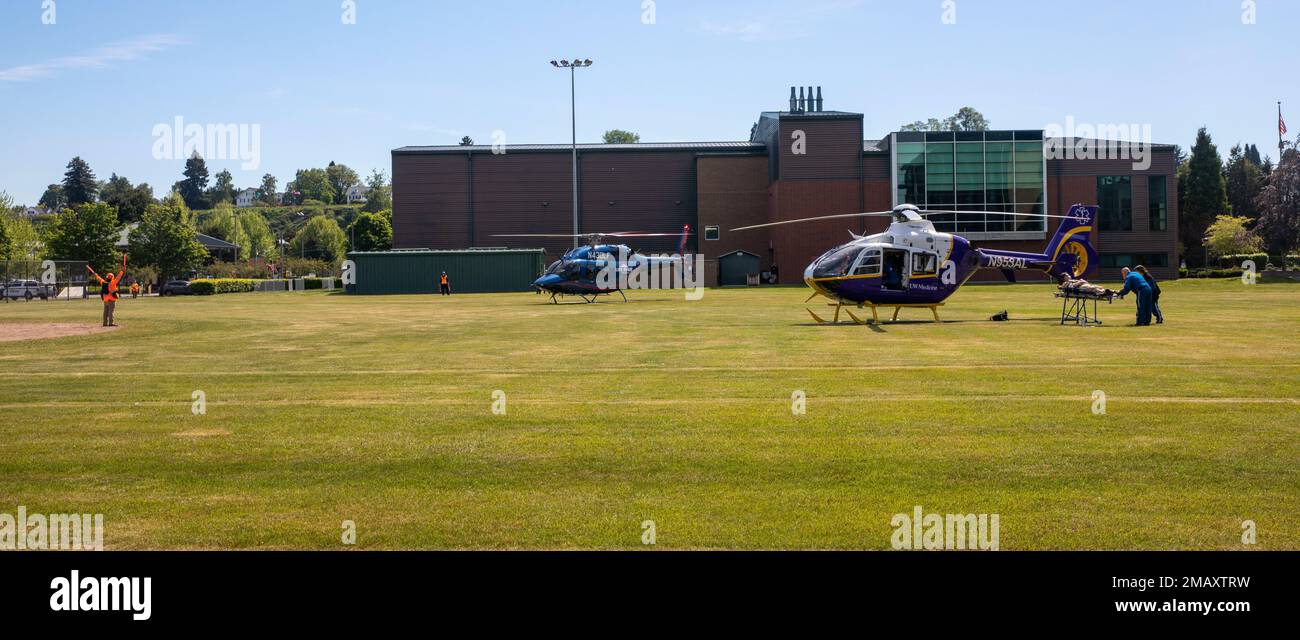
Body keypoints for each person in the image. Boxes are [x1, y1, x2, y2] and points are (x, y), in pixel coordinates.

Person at [87, 253, 127, 327]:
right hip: (112, 299)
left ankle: (105, 323)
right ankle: (111, 323)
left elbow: (98, 277)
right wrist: (122, 271)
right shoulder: (113, 282)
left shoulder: (103, 282)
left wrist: (95, 274)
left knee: (105, 312)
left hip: (105, 299)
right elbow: (119, 277)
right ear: (112, 277)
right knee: (111, 312)